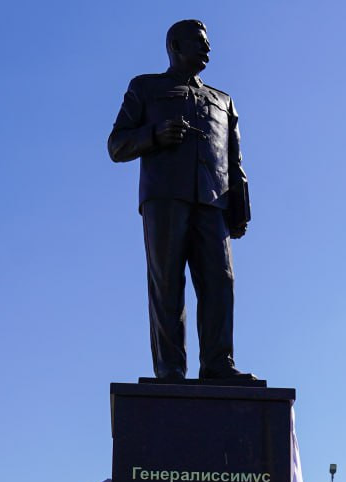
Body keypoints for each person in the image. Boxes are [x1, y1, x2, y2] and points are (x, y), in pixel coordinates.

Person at [108, 19, 255, 382]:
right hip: (165, 199)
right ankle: (170, 369)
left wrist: (239, 207)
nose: (208, 48)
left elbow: (234, 160)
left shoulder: (222, 100)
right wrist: (154, 135)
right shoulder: (145, 87)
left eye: (208, 43)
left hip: (213, 201)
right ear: (175, 46)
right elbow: (116, 145)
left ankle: (218, 364)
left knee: (220, 282)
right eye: (199, 42)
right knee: (167, 282)